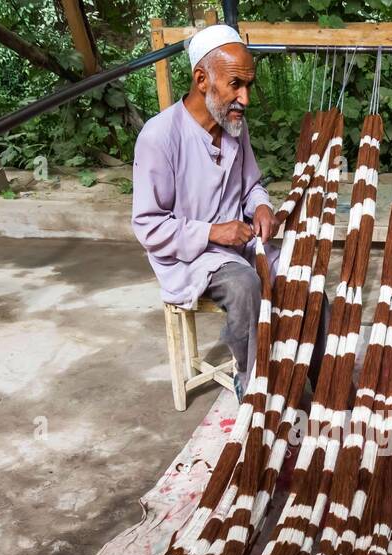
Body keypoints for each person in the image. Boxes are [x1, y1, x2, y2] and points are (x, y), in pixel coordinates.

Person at [131, 24, 291, 401]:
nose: (245, 98)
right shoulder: (159, 137)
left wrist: (262, 206)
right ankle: (254, 383)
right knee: (244, 286)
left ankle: (317, 376)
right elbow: (148, 226)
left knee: (302, 272)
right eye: (236, 84)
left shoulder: (234, 125)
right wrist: (213, 232)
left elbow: (251, 185)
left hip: (238, 245)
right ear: (202, 79)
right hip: (192, 256)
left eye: (249, 86)